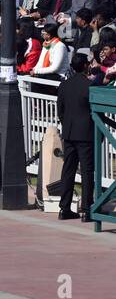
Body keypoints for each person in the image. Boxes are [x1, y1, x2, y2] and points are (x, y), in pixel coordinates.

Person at [57, 50, 94, 222]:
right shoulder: (89, 86)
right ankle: (87, 209)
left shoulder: (64, 85)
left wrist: (67, 126)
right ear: (85, 66)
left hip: (69, 132)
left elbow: (61, 111)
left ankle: (64, 208)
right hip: (85, 134)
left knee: (68, 170)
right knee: (87, 172)